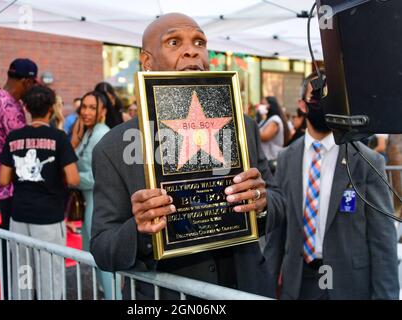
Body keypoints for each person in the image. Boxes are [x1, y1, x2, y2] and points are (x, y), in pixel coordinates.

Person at [90, 13, 285, 299]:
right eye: (173, 41)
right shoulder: (113, 147)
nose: (192, 49)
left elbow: (279, 203)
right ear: (147, 62)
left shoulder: (243, 127)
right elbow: (103, 249)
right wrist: (141, 230)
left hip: (245, 288)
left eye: (199, 41)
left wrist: (262, 202)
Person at [273, 71, 399, 299]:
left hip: (348, 284)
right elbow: (277, 232)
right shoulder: (286, 158)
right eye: (317, 96)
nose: (325, 103)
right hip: (300, 280)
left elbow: (383, 240)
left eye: (333, 97)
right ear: (302, 105)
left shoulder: (366, 161)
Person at [0, 85, 80, 299]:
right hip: (49, 218)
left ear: (26, 108)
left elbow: (3, 179)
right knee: (50, 274)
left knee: (22, 273)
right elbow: (73, 179)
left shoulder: (14, 137)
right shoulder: (59, 138)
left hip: (20, 216)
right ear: (51, 109)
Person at [72, 90, 122, 299]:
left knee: (103, 256)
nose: (86, 111)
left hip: (98, 203)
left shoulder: (101, 134)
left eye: (92, 107)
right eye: (84, 106)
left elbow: (99, 176)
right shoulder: (89, 132)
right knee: (97, 256)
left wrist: (72, 179)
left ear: (102, 111)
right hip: (88, 201)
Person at [0, 58, 38, 230]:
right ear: (26, 81)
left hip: (1, 180)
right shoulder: (9, 107)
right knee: (16, 241)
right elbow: (22, 145)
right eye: (32, 84)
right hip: (11, 186)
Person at [259, 96, 291, 173]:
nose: (261, 106)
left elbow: (265, 136)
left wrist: (251, 130)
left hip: (272, 159)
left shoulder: (275, 120)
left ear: (270, 105)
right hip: (268, 159)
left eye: (263, 104)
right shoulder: (267, 119)